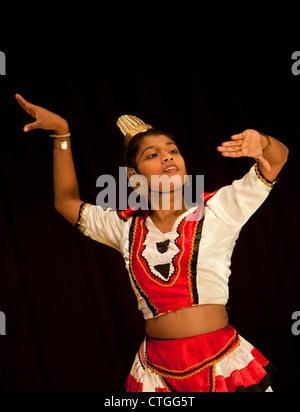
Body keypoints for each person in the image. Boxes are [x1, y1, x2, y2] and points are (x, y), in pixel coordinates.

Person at [15, 94, 289, 392]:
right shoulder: (125, 226)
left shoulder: (218, 209)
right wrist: (62, 133)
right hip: (155, 373)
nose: (168, 156)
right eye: (152, 154)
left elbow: (277, 159)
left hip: (220, 365)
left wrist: (262, 142)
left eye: (172, 150)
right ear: (135, 177)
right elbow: (66, 202)